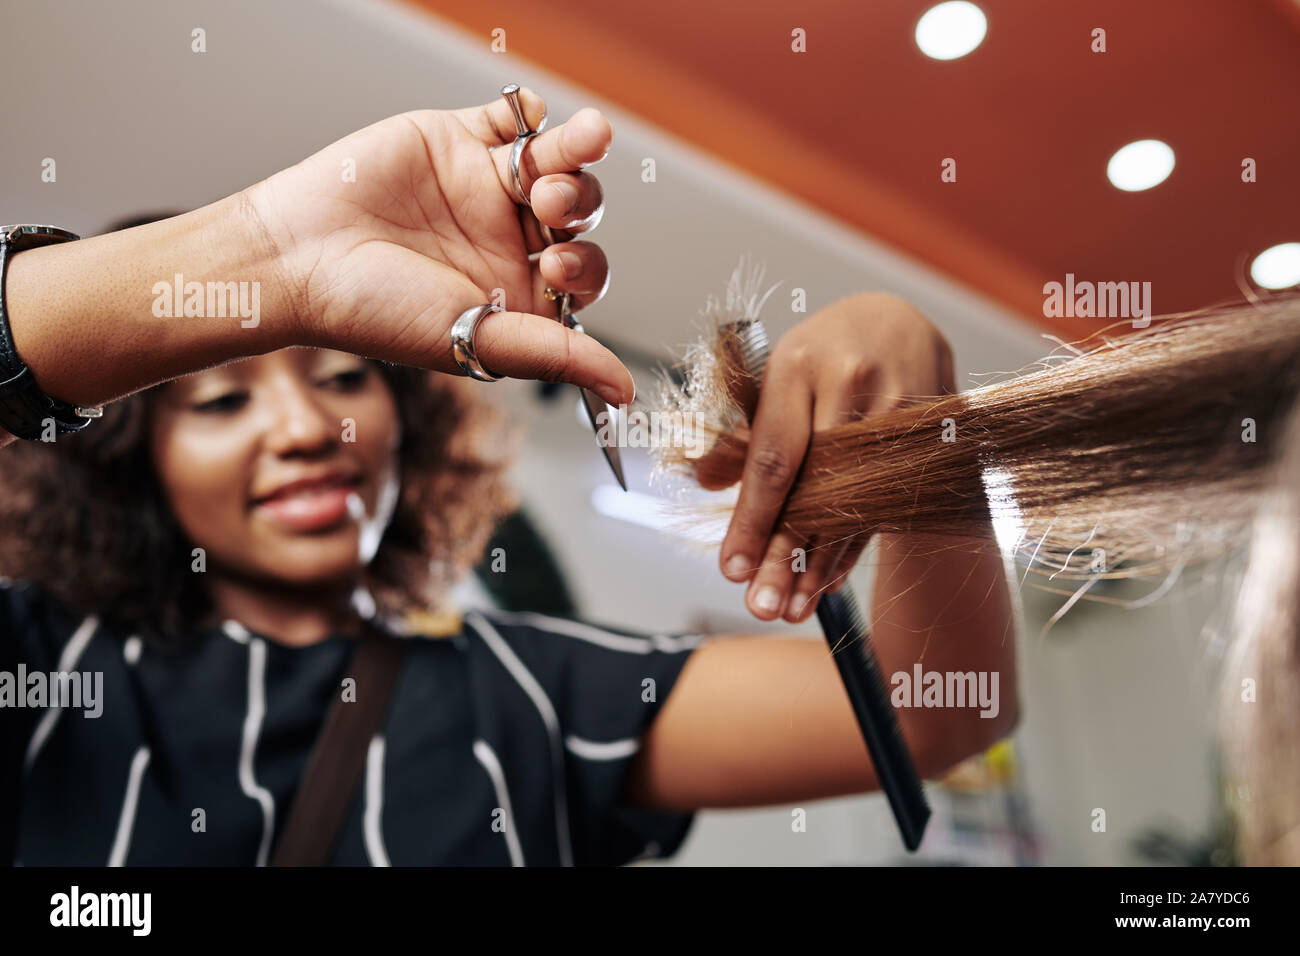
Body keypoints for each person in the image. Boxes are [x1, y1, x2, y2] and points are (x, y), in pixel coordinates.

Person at [0, 90, 1015, 865]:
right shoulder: (40, 669)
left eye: (343, 377)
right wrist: (268, 259)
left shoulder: (536, 689)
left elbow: (935, 713)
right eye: (221, 402)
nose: (310, 425)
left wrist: (933, 438)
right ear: (132, 460)